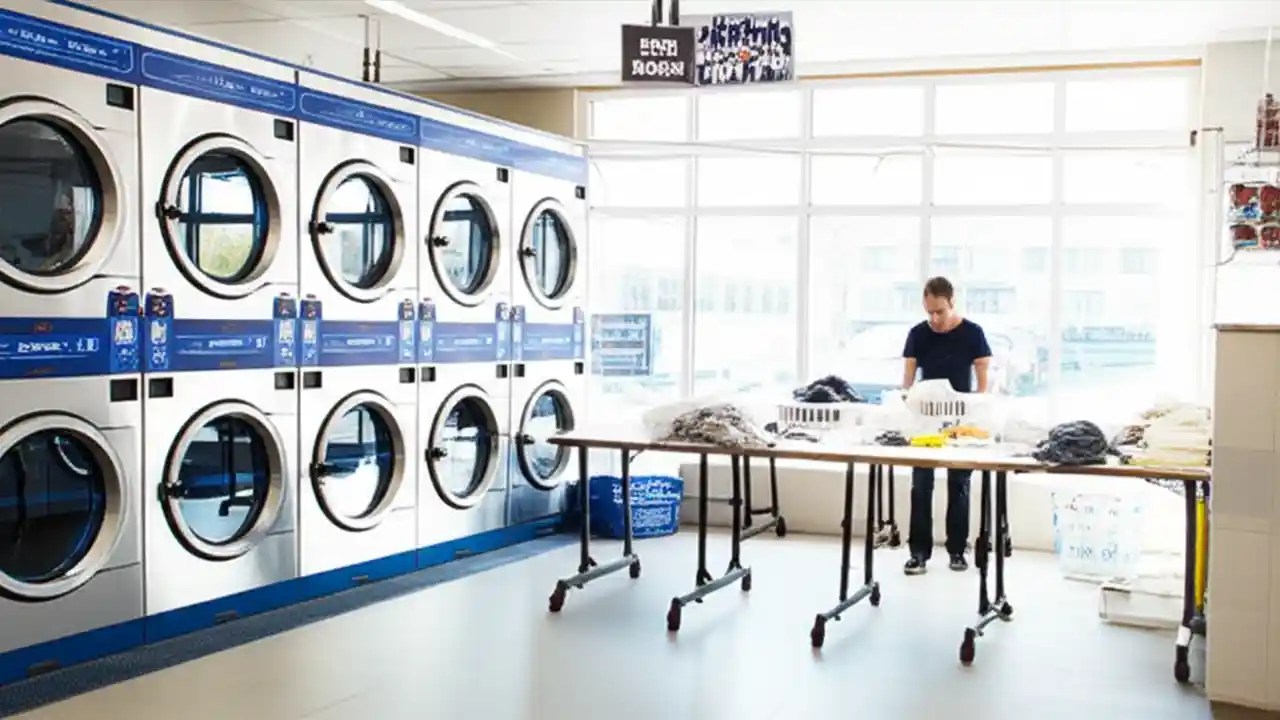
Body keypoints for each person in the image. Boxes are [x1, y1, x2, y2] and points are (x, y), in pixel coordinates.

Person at [901, 276, 992, 576]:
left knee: (959, 484)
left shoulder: (972, 333)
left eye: (940, 311)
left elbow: (982, 383)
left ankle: (957, 550)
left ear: (952, 303)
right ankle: (918, 553)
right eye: (929, 312)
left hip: (961, 419)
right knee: (921, 486)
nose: (935, 318)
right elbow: (908, 382)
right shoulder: (917, 334)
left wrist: (979, 414)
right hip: (926, 419)